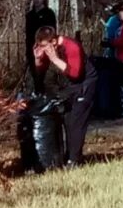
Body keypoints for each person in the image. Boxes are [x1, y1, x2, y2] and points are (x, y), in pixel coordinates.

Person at [33, 26, 97, 168]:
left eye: (43, 46)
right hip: (70, 86)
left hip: (84, 83)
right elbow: (41, 73)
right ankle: (70, 156)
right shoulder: (49, 49)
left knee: (76, 121)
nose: (42, 49)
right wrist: (38, 60)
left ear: (53, 42)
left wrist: (55, 59)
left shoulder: (72, 47)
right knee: (67, 119)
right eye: (39, 46)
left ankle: (74, 160)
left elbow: (75, 73)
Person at [25, 0, 57, 92]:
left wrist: (46, 44)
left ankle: (41, 93)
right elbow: (28, 33)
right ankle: (38, 93)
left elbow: (51, 30)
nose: (36, 0)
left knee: (41, 73)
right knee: (34, 73)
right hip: (31, 46)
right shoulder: (30, 15)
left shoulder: (49, 13)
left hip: (44, 46)